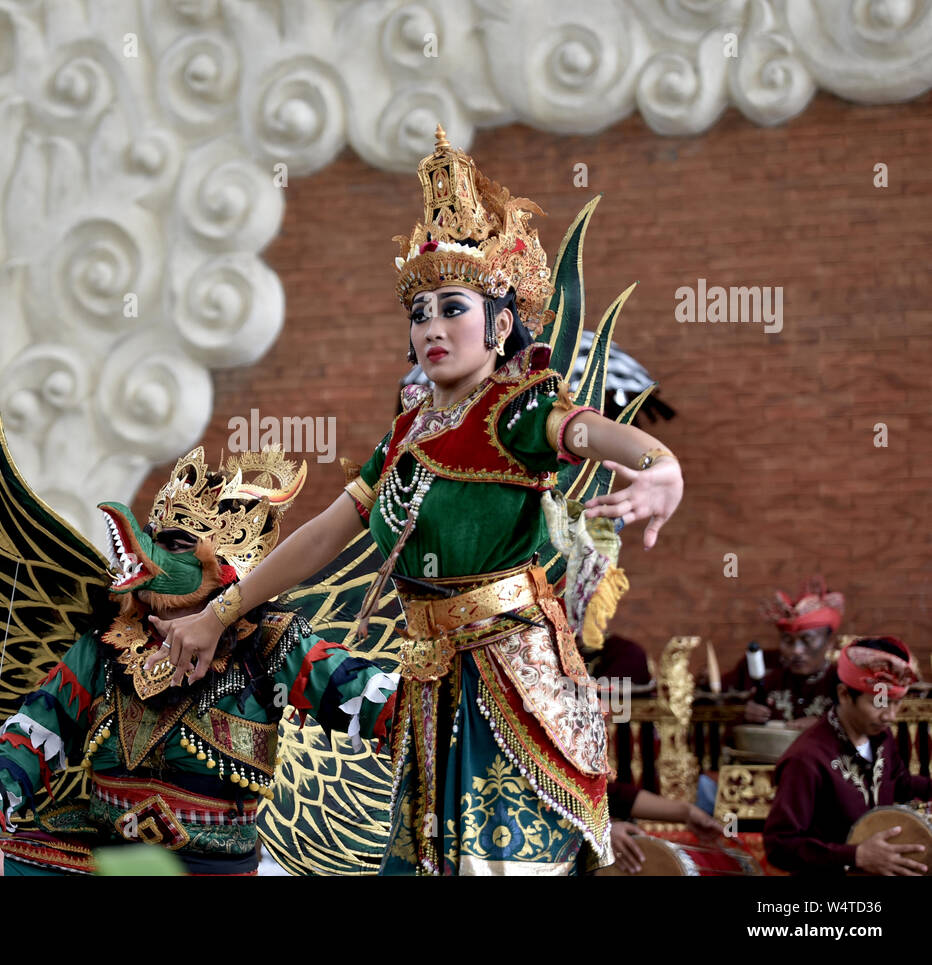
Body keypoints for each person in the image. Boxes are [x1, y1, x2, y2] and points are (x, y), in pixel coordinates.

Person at [150, 126, 684, 875]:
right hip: (431, 683)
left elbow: (599, 437)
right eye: (420, 311)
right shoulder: (406, 435)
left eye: (453, 307)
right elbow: (319, 539)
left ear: (500, 325)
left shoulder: (519, 409)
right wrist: (218, 611)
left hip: (512, 683)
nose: (432, 326)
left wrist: (661, 469)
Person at [0, 447, 400, 876]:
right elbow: (29, 735)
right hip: (102, 857)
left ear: (226, 566)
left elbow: (377, 701)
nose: (149, 550)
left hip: (208, 869)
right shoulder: (105, 643)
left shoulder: (268, 642)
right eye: (153, 536)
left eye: (175, 543)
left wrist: (452, 671)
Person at [763, 636, 931, 875]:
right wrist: (856, 855)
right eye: (879, 703)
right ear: (844, 694)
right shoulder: (807, 759)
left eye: (897, 703)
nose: (890, 716)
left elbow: (901, 785)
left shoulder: (881, 739)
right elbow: (779, 846)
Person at [743, 580, 843, 729]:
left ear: (829, 642)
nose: (796, 650)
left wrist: (824, 725)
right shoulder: (770, 683)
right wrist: (748, 716)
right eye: (788, 641)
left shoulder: (843, 684)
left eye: (806, 639)